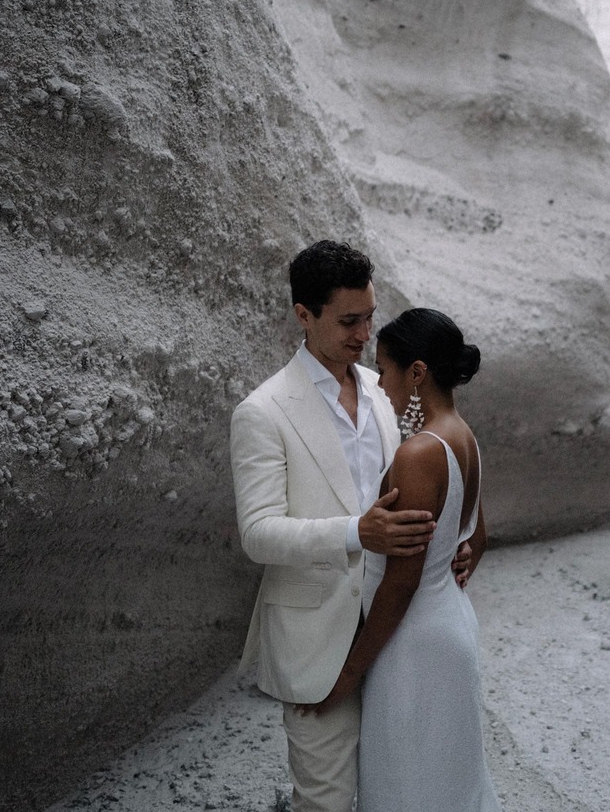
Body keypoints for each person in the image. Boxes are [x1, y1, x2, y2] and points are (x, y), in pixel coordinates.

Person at [230, 241, 474, 812]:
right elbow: (258, 533)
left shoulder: (384, 389)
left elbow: (430, 478)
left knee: (398, 791)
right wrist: (355, 533)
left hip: (397, 633)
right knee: (327, 803)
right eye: (348, 321)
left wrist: (453, 544)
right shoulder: (262, 412)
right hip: (317, 642)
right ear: (303, 314)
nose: (364, 334)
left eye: (369, 317)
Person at [299, 307, 499, 812]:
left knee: (405, 788)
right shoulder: (462, 436)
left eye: (385, 369)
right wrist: (454, 560)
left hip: (414, 644)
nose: (380, 383)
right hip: (450, 624)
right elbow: (478, 536)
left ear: (417, 373)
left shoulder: (420, 453)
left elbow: (401, 582)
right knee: (446, 785)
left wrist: (347, 674)